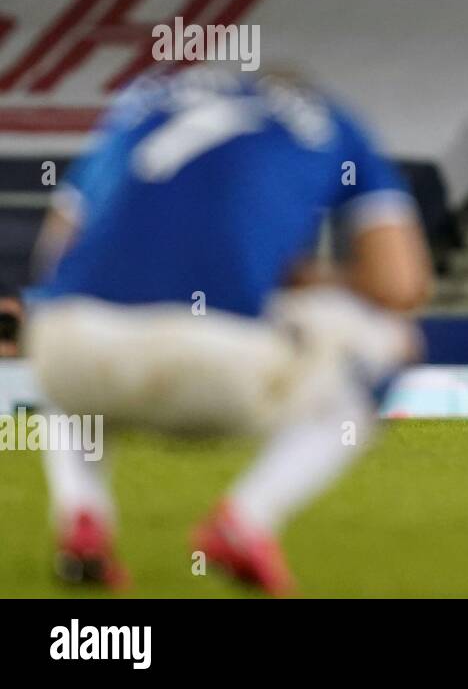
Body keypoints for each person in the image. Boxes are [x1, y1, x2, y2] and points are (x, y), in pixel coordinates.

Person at [25, 65, 433, 594]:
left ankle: (81, 516)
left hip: (72, 358)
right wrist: (304, 279)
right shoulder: (333, 123)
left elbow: (53, 254)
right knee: (392, 341)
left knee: (71, 308)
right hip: (217, 366)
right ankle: (245, 521)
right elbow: (400, 284)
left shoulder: (139, 106)